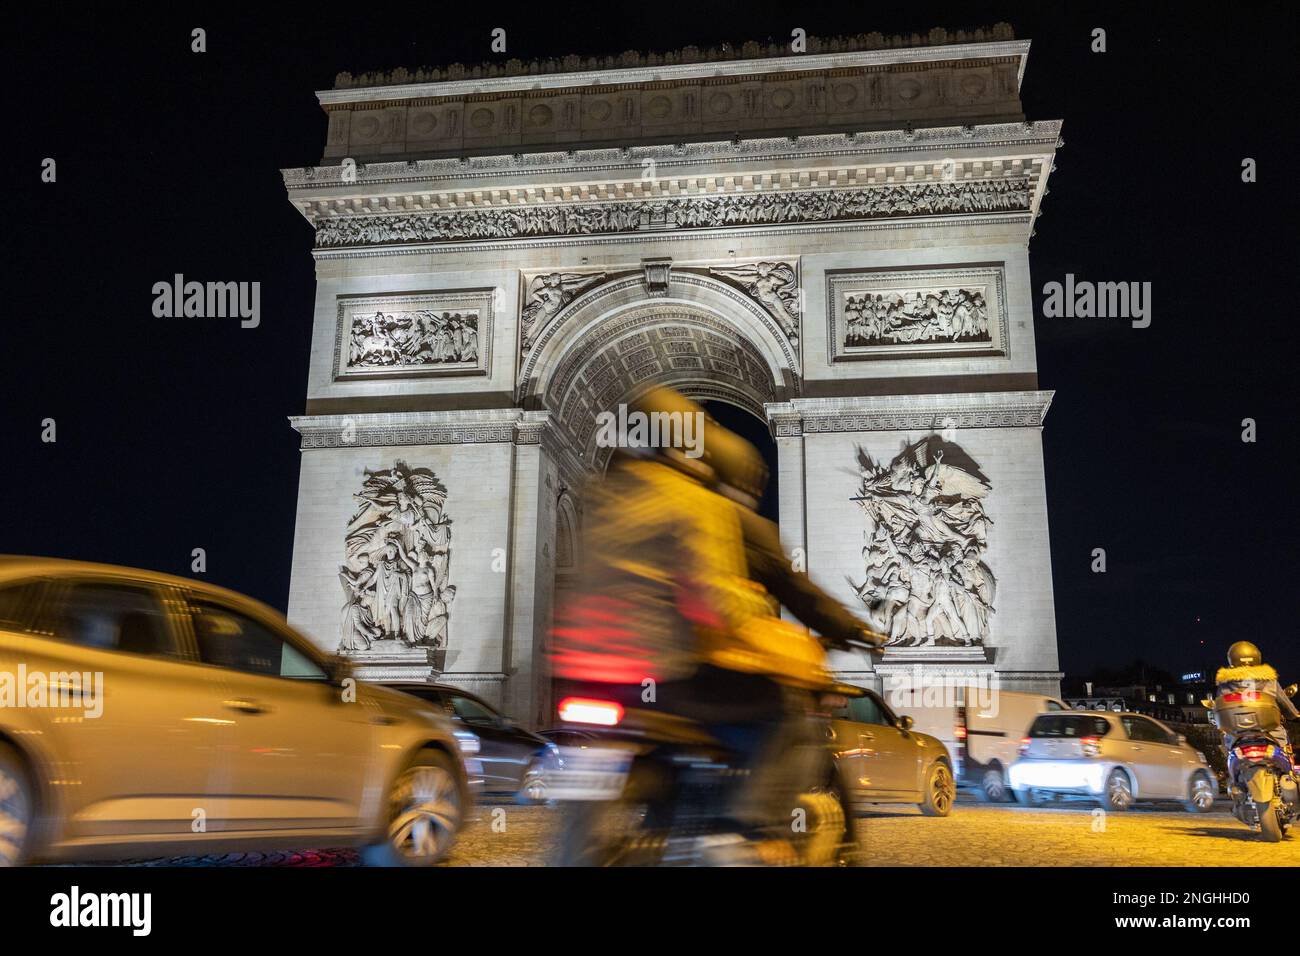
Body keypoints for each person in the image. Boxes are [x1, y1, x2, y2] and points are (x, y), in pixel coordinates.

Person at [1215, 641, 1297, 756]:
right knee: (1286, 761)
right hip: (1273, 737)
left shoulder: (1224, 686)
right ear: (1257, 658)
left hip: (1236, 741)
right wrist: (1294, 715)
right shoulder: (1269, 681)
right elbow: (1286, 707)